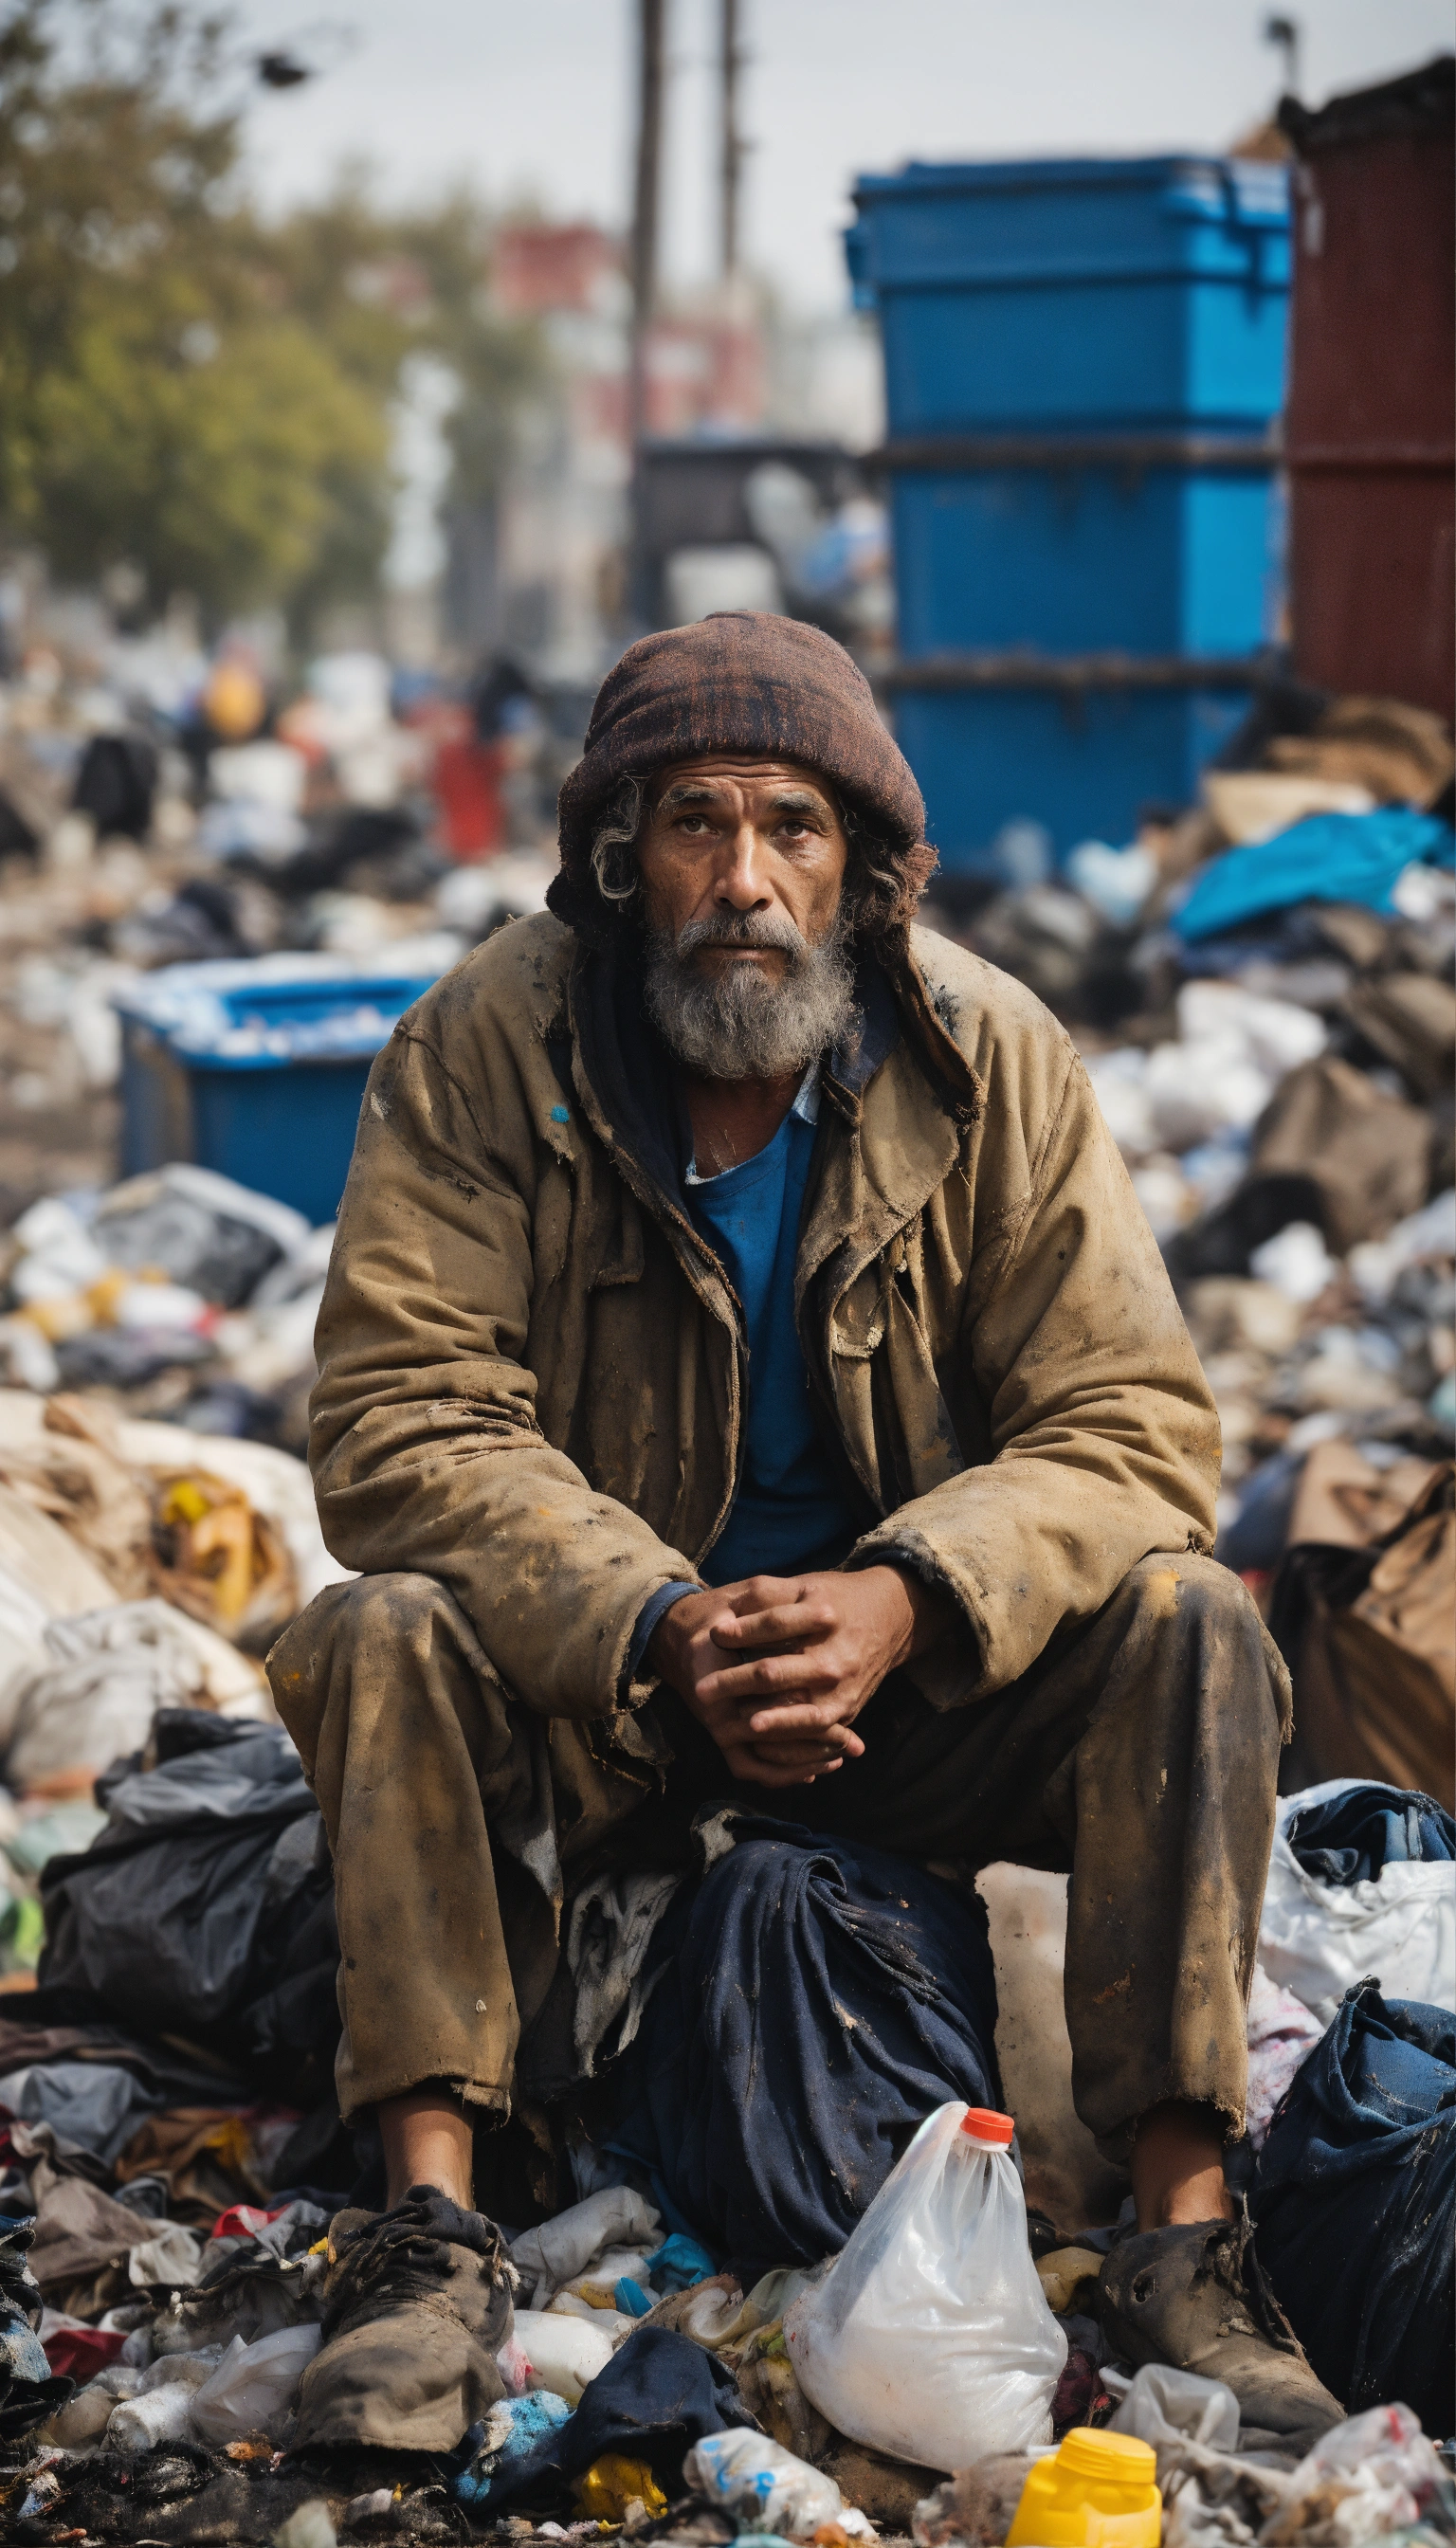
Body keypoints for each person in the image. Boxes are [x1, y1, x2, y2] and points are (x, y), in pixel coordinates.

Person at [269, 612, 1342, 2453]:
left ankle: (1180, 2234)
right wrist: (652, 1618)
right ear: (623, 860)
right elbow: (394, 1414)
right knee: (377, 1629)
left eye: (792, 831)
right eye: (695, 823)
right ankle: (428, 2231)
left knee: (1189, 1612)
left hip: (906, 1709)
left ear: (858, 873)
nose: (743, 880)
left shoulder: (983, 1057)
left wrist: (909, 1597)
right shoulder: (486, 1046)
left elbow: (1136, 1423)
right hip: (610, 1697)